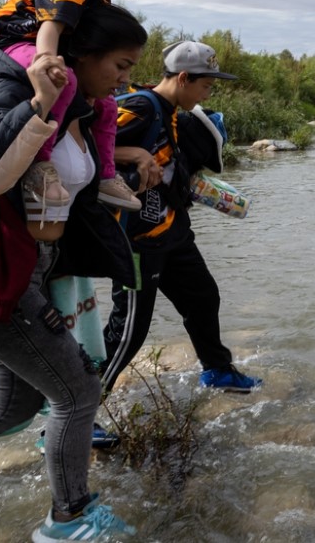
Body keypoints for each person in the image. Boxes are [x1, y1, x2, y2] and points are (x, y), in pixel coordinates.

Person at [0, 3, 146, 541]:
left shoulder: (87, 114)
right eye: (119, 64)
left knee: (14, 404)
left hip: (29, 272)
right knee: (77, 392)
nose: (125, 78)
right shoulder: (11, 90)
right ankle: (67, 519)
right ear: (81, 56)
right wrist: (40, 100)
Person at [100, 41, 263, 394]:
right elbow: (87, 145)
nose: (207, 93)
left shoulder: (170, 111)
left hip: (173, 233)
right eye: (206, 85)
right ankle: (80, 410)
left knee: (203, 297)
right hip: (138, 240)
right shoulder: (142, 106)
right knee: (129, 330)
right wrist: (136, 153)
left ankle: (218, 370)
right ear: (184, 77)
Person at [0, 0, 157, 213]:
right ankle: (41, 166)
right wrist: (48, 64)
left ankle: (105, 175)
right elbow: (49, 29)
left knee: (107, 105)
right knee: (64, 81)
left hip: (35, 42)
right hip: (13, 43)